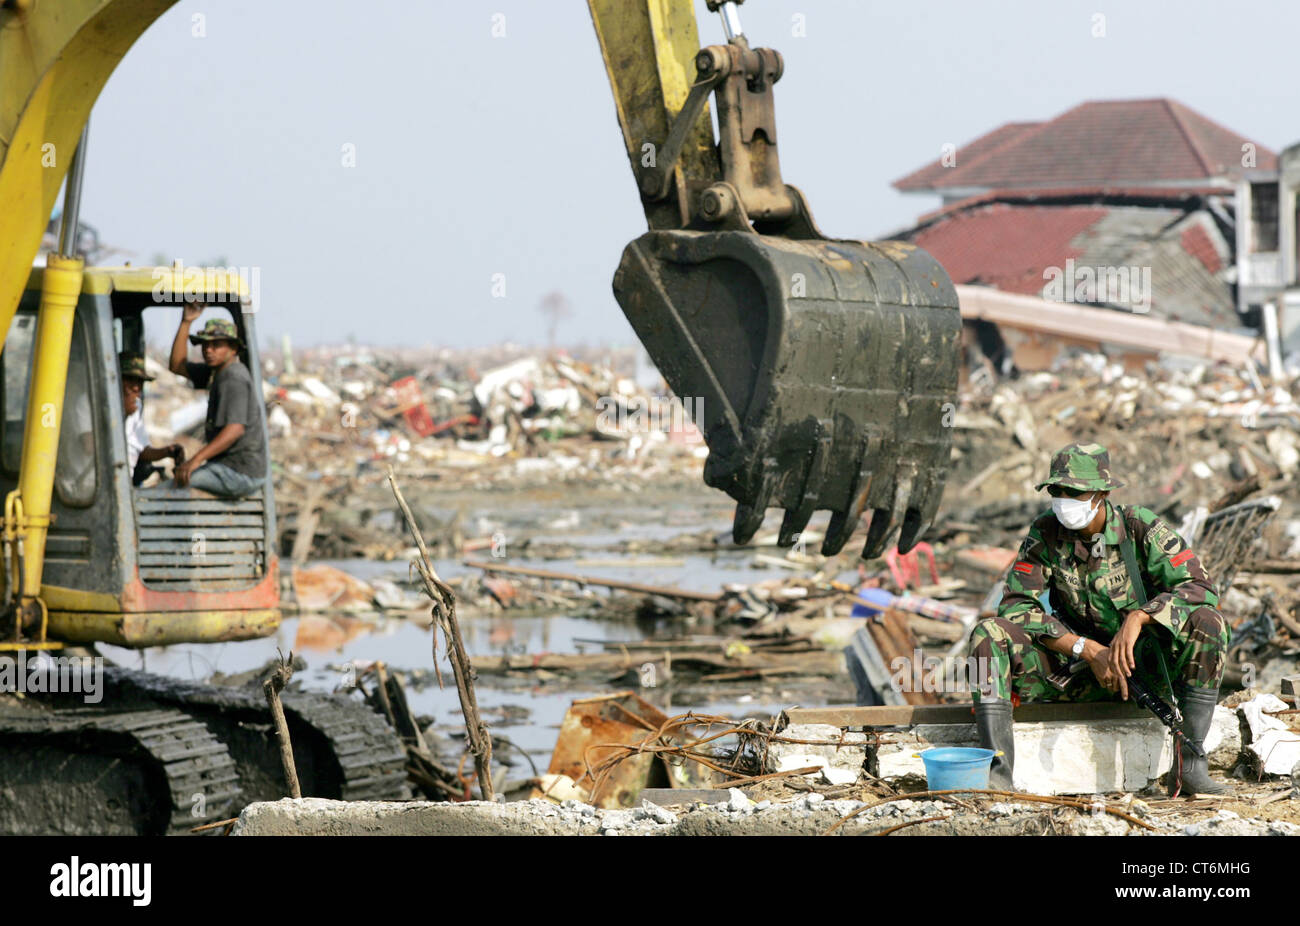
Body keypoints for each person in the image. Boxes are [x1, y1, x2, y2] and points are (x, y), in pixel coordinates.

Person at [966, 442, 1229, 797]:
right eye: (1057, 491)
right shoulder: (1045, 532)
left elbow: (1199, 587)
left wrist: (1140, 617)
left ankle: (1191, 768)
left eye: (1075, 491)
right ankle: (997, 777)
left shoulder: (1139, 527)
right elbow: (1014, 605)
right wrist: (1086, 650)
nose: (1064, 499)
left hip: (1144, 671)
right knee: (988, 634)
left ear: (1102, 493)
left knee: (1208, 622)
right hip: (1074, 671)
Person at [168, 307, 267, 497]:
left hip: (239, 472)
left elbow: (235, 429)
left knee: (172, 490)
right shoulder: (216, 372)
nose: (209, 350)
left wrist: (196, 460)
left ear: (233, 348)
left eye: (216, 345)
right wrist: (186, 322)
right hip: (227, 468)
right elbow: (176, 365)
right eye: (205, 345)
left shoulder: (233, 377)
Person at [119, 352, 183, 486]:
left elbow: (141, 450)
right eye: (130, 380)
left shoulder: (135, 408)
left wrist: (166, 451)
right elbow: (89, 447)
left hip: (125, 484)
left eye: (139, 382)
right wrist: (122, 414)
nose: (136, 387)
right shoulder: (91, 404)